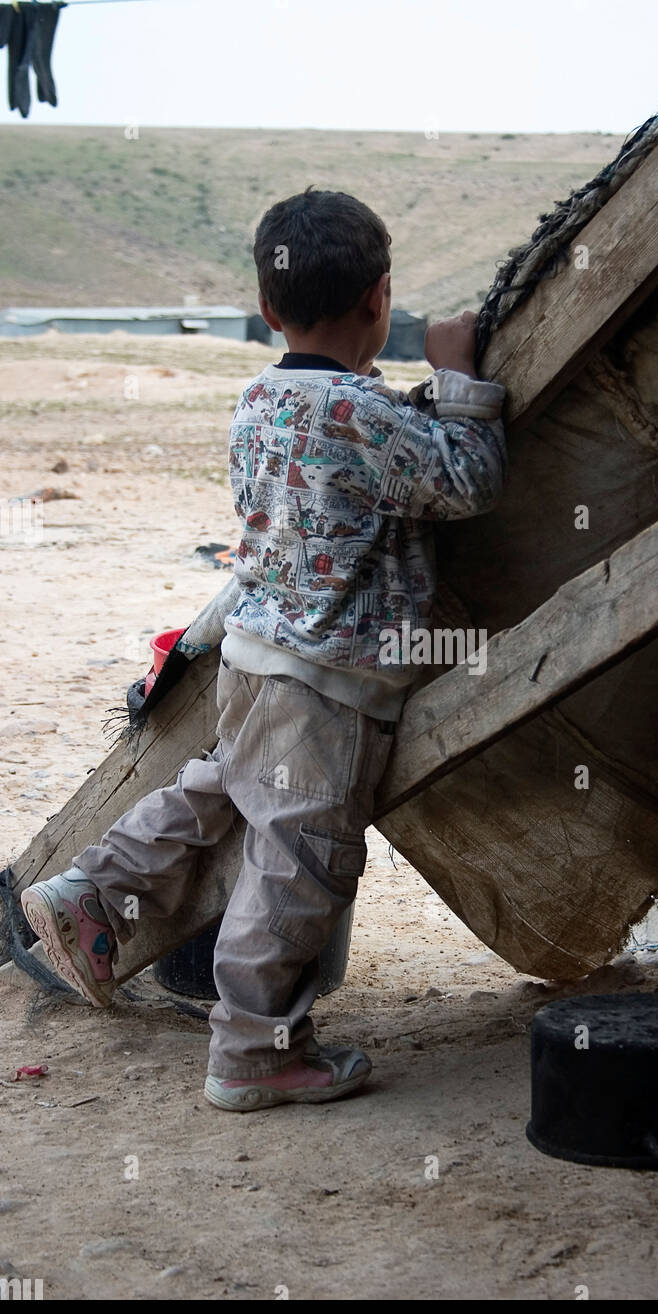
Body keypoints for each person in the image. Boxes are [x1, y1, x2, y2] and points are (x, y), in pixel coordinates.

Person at [21, 188, 507, 1112]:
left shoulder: (257, 401)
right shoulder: (367, 415)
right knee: (301, 856)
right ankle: (253, 1050)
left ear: (268, 309)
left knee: (216, 794)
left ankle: (89, 893)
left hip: (252, 657)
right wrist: (457, 377)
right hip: (328, 684)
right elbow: (469, 478)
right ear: (381, 298)